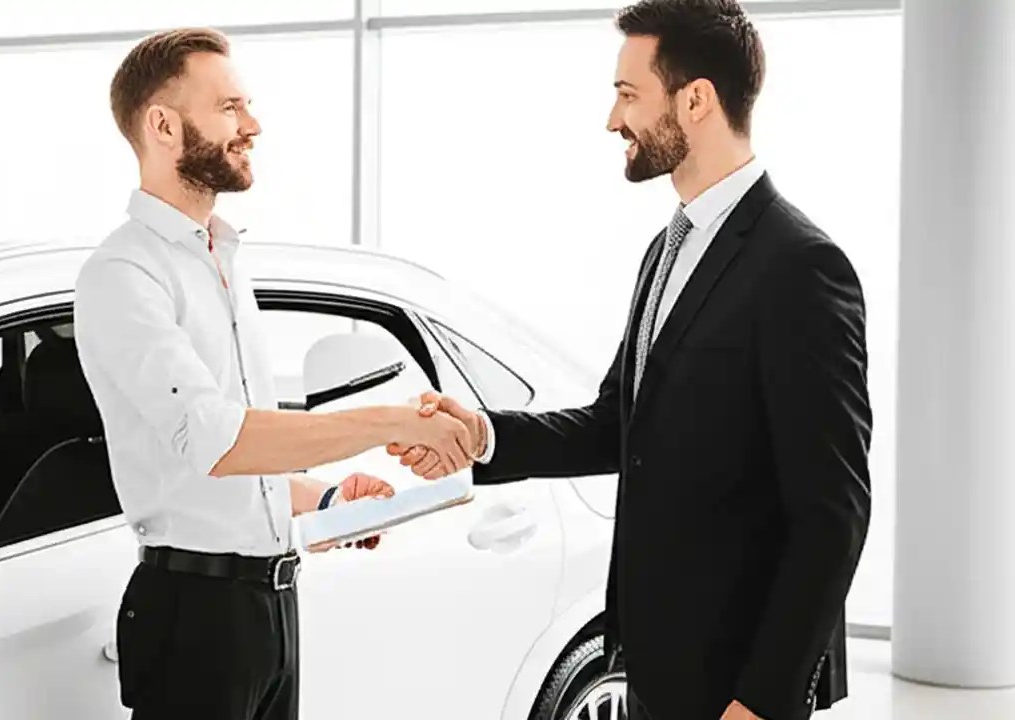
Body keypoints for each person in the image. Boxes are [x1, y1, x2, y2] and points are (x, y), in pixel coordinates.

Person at [390, 1, 871, 718]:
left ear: (696, 100)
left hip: (736, 685)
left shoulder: (800, 267)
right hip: (653, 665)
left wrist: (763, 700)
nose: (613, 120)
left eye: (627, 94)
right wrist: (481, 434)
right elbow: (617, 423)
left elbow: (834, 513)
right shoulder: (667, 251)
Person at [73, 28, 476, 720]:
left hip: (269, 606)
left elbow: (232, 472)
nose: (252, 126)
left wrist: (324, 500)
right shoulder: (124, 274)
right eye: (230, 107)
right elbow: (220, 440)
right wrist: (395, 422)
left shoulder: (222, 259)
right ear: (163, 126)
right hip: (195, 615)